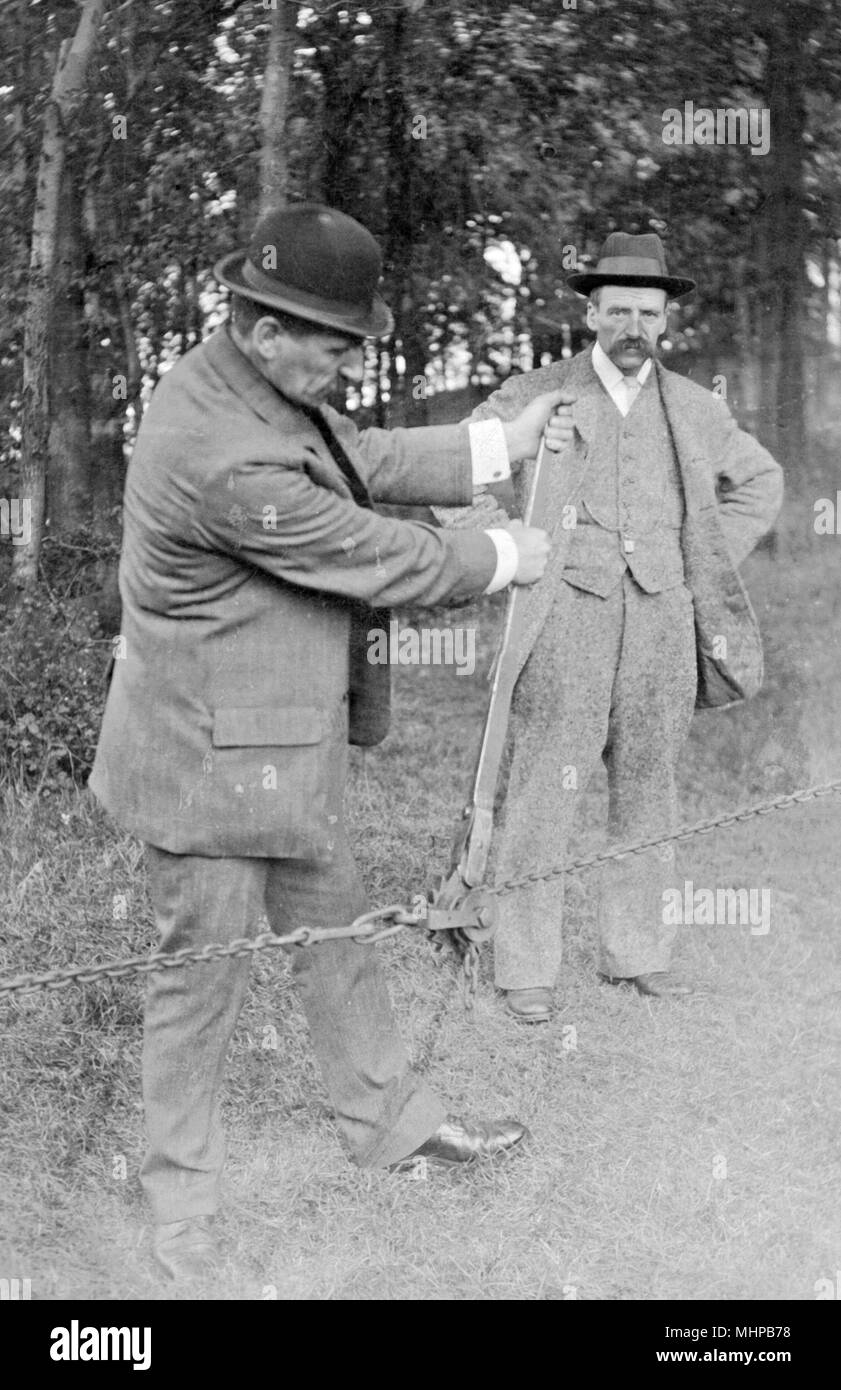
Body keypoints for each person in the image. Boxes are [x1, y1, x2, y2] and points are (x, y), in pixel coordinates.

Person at [89, 202, 573, 1281]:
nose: (350, 364)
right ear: (268, 330)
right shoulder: (223, 453)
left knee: (338, 939)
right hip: (204, 763)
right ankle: (182, 1213)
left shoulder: (248, 382)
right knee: (198, 987)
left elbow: (353, 456)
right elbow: (364, 548)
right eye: (338, 345)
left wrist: (495, 442)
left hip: (281, 740)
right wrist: (502, 556)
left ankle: (389, 1127)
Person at [464, 232, 783, 1022]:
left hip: (663, 622)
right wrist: (506, 546)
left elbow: (760, 481)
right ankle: (524, 968)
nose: (632, 327)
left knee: (648, 788)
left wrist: (701, 555)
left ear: (665, 319)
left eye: (646, 313)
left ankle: (639, 952)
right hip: (564, 616)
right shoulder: (540, 391)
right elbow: (464, 467)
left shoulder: (695, 407)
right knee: (544, 789)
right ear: (590, 314)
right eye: (617, 312)